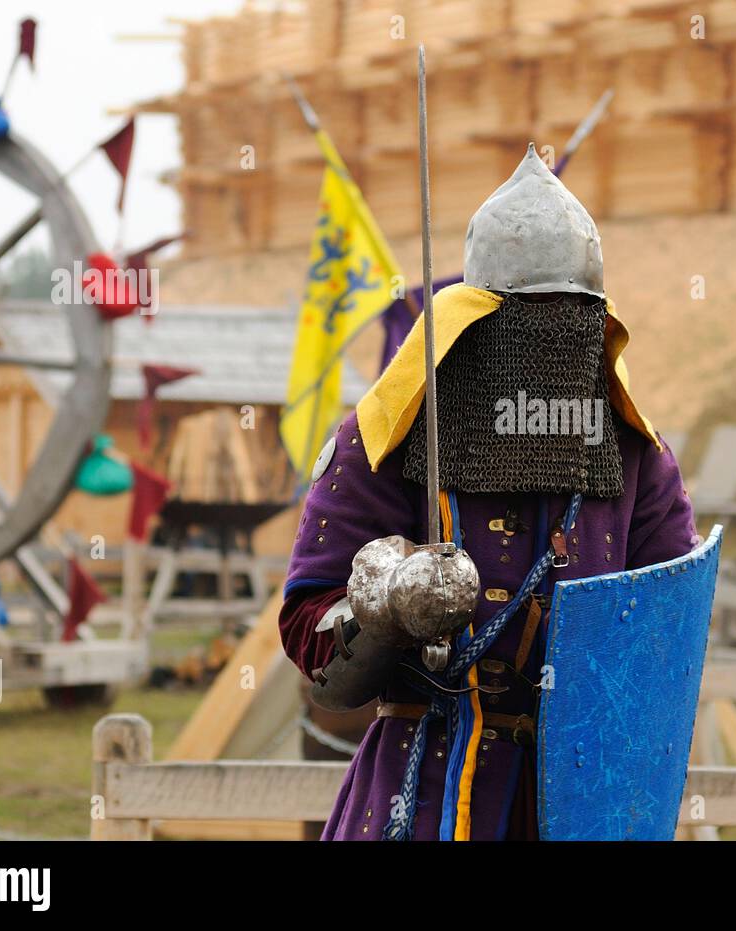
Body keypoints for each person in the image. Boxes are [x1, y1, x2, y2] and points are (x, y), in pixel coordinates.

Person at [280, 144, 699, 840]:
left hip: (574, 804)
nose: (554, 350)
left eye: (570, 326)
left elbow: (667, 645)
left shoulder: (634, 461)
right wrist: (386, 606)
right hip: (415, 798)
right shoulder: (387, 438)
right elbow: (308, 633)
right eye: (532, 327)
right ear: (478, 321)